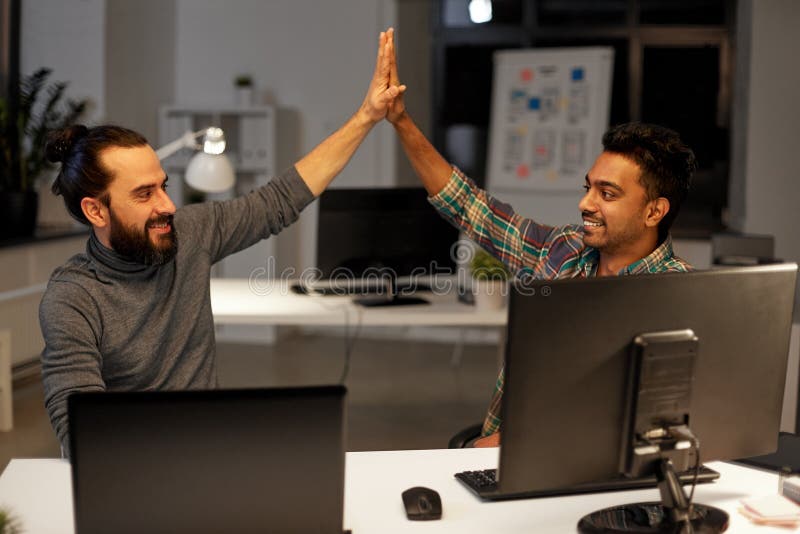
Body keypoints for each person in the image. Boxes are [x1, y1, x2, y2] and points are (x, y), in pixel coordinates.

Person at [40, 29, 406, 456]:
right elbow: (80, 427)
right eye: (144, 194)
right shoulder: (72, 298)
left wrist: (367, 115)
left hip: (213, 449)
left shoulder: (189, 234)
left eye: (163, 185)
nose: (168, 205)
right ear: (96, 211)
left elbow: (280, 199)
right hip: (138, 466)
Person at [382, 33, 696, 447]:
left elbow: (646, 423)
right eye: (588, 187)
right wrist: (401, 121)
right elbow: (470, 207)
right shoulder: (564, 251)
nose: (585, 203)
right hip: (510, 460)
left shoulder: (682, 295)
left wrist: (512, 441)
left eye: (607, 193)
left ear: (654, 211)